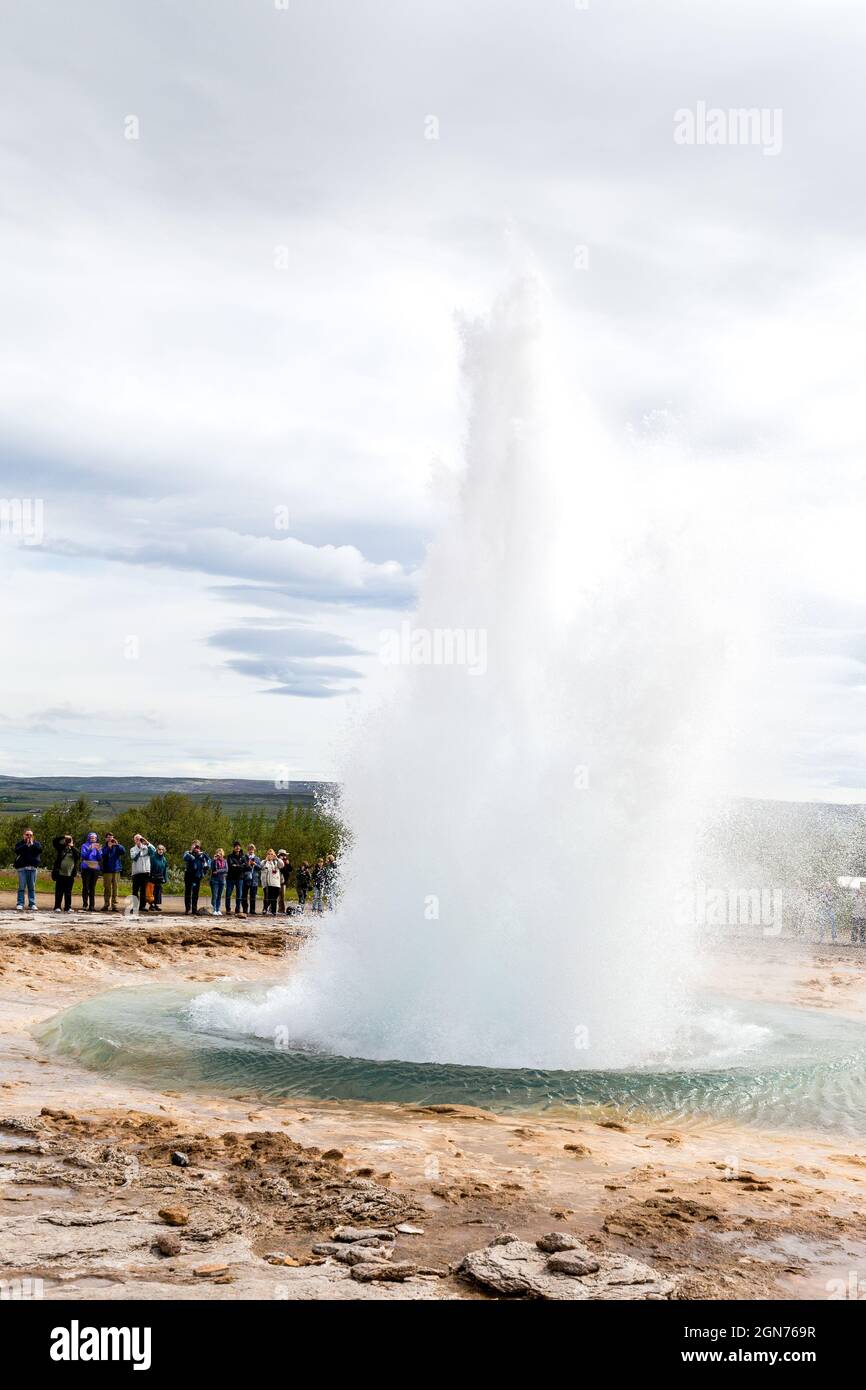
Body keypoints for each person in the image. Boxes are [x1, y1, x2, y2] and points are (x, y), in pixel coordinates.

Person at [14, 828, 42, 911]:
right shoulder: (20, 844)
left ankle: (32, 904)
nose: (29, 836)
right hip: (22, 869)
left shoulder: (36, 844)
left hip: (32, 869)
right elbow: (16, 851)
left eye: (30, 835)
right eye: (27, 835)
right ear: (24, 835)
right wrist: (26, 845)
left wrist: (32, 844)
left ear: (33, 836)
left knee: (32, 887)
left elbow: (39, 851)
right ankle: (20, 903)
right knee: (21, 887)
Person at [51, 834, 77, 913]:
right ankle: (57, 906)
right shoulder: (61, 848)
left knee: (68, 892)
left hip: (70, 874)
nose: (68, 842)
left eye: (70, 840)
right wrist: (63, 837)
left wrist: (71, 846)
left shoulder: (74, 850)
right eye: (68, 841)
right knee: (59, 891)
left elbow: (78, 856)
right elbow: (54, 841)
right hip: (60, 873)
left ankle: (68, 907)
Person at [130, 835, 156, 913]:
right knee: (135, 891)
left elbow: (153, 851)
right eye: (137, 839)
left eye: (140, 839)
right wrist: (140, 849)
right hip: (136, 872)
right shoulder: (133, 849)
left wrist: (147, 843)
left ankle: (142, 906)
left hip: (145, 872)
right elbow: (134, 858)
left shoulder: (147, 847)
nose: (138, 840)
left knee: (143, 890)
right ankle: (134, 907)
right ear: (134, 840)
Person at [183, 841, 210, 915]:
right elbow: (185, 858)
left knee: (195, 893)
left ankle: (194, 909)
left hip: (197, 876)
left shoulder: (203, 854)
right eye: (195, 846)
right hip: (188, 874)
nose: (196, 848)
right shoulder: (187, 852)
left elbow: (208, 863)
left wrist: (204, 872)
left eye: (197, 846)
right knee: (188, 892)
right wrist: (191, 851)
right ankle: (187, 909)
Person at [101, 834, 126, 912]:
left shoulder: (117, 847)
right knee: (107, 888)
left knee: (115, 888)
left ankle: (114, 905)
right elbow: (104, 855)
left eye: (111, 838)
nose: (110, 839)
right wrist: (109, 847)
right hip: (107, 870)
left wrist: (117, 844)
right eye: (108, 838)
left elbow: (123, 852)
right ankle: (106, 904)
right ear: (105, 839)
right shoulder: (104, 847)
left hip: (116, 870)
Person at [79, 832, 102, 912]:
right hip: (86, 867)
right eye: (91, 837)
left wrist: (98, 851)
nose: (93, 839)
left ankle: (92, 906)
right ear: (89, 838)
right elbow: (84, 856)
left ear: (96, 839)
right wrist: (90, 849)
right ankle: (85, 904)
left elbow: (99, 858)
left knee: (92, 887)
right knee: (85, 886)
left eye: (94, 838)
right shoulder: (84, 845)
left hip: (95, 868)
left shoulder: (98, 846)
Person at [226, 842, 246, 916]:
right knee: (228, 894)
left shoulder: (243, 857)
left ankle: (237, 909)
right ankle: (228, 909)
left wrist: (236, 866)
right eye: (236, 846)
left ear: (240, 848)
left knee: (239, 894)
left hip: (240, 878)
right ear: (234, 848)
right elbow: (231, 866)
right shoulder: (230, 856)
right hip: (230, 878)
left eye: (239, 846)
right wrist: (240, 865)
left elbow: (245, 866)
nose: (237, 848)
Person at [242, 844, 262, 916]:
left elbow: (260, 868)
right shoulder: (244, 857)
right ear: (248, 849)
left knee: (253, 896)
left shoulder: (257, 858)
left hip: (254, 880)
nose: (251, 850)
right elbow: (242, 866)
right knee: (244, 895)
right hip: (246, 879)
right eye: (250, 849)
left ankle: (252, 910)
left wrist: (255, 864)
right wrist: (247, 864)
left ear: (254, 850)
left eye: (252, 849)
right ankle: (245, 909)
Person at [261, 849, 282, 915]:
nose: (270, 855)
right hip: (267, 883)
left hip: (276, 883)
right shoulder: (264, 862)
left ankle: (273, 911)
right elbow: (260, 866)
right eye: (269, 854)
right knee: (267, 897)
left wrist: (277, 858)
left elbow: (282, 865)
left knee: (274, 898)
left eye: (272, 854)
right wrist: (265, 860)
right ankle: (265, 909)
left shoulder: (276, 862)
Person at [150, 844, 169, 912]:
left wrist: (165, 878)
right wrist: (150, 876)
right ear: (157, 850)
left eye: (162, 849)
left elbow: (165, 869)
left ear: (163, 850)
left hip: (160, 877)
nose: (161, 851)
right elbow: (150, 867)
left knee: (158, 892)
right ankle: (151, 905)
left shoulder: (164, 859)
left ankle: (156, 905)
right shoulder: (153, 857)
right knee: (152, 891)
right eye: (159, 849)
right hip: (153, 877)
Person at [210, 848, 228, 915]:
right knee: (215, 895)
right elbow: (212, 868)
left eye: (220, 853)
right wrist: (214, 860)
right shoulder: (214, 861)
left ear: (223, 854)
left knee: (220, 896)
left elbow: (226, 870)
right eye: (218, 853)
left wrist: (218, 871)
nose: (219, 855)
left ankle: (218, 909)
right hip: (214, 880)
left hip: (222, 880)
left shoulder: (225, 861)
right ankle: (214, 909)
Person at [852, 880, 866, 945]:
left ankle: (862, 940)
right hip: (855, 914)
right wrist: (857, 894)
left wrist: (863, 897)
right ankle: (853, 940)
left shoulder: (864, 897)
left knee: (862, 928)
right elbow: (853, 901)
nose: (862, 891)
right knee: (855, 928)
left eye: (863, 890)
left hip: (863, 915)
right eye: (860, 890)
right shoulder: (855, 896)